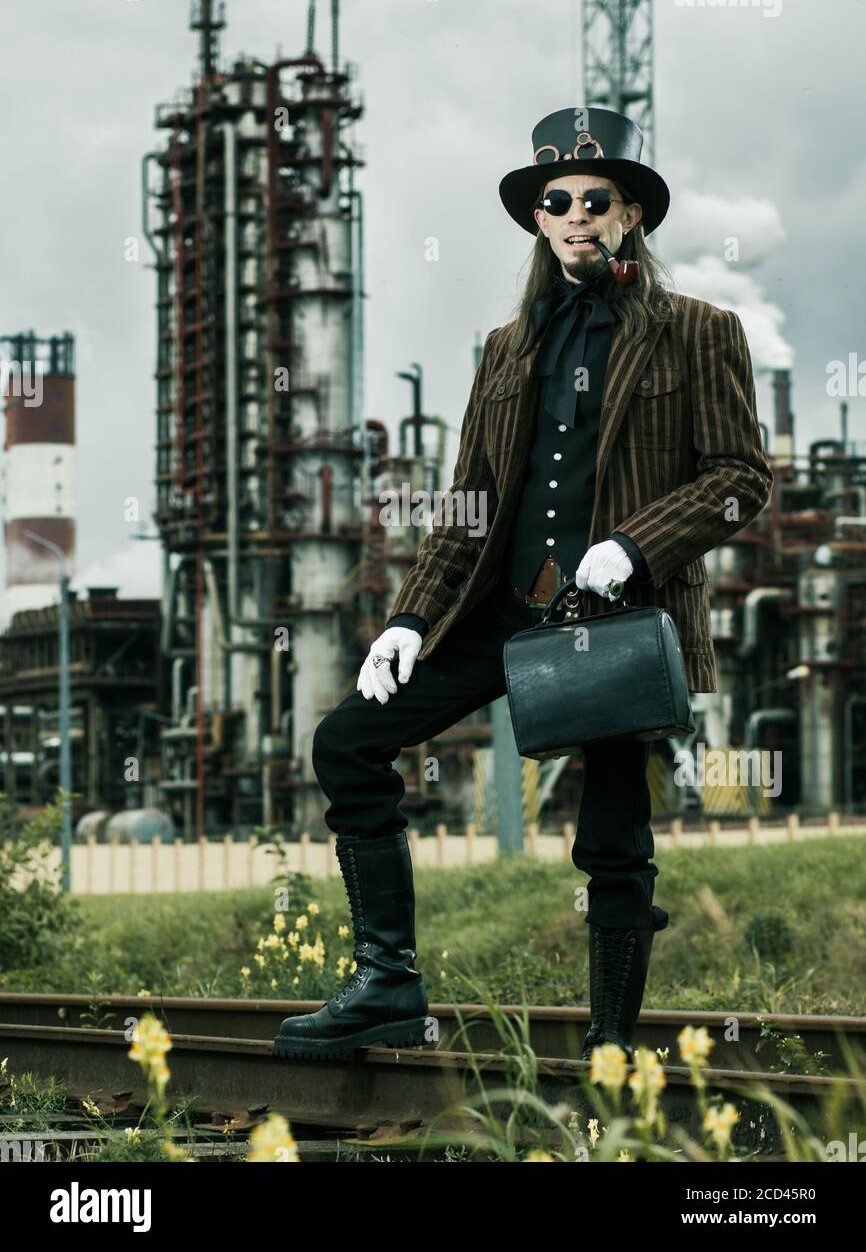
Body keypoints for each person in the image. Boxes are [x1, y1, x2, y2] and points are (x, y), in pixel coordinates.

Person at [273, 106, 773, 1062]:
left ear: (631, 214)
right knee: (347, 744)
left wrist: (637, 544)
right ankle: (387, 981)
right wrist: (410, 619)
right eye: (558, 201)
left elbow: (743, 478)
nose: (577, 215)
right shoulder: (506, 350)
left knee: (614, 838)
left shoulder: (698, 332)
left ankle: (610, 1043)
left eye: (598, 200)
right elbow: (470, 501)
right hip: (502, 607)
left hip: (616, 619)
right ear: (538, 218)